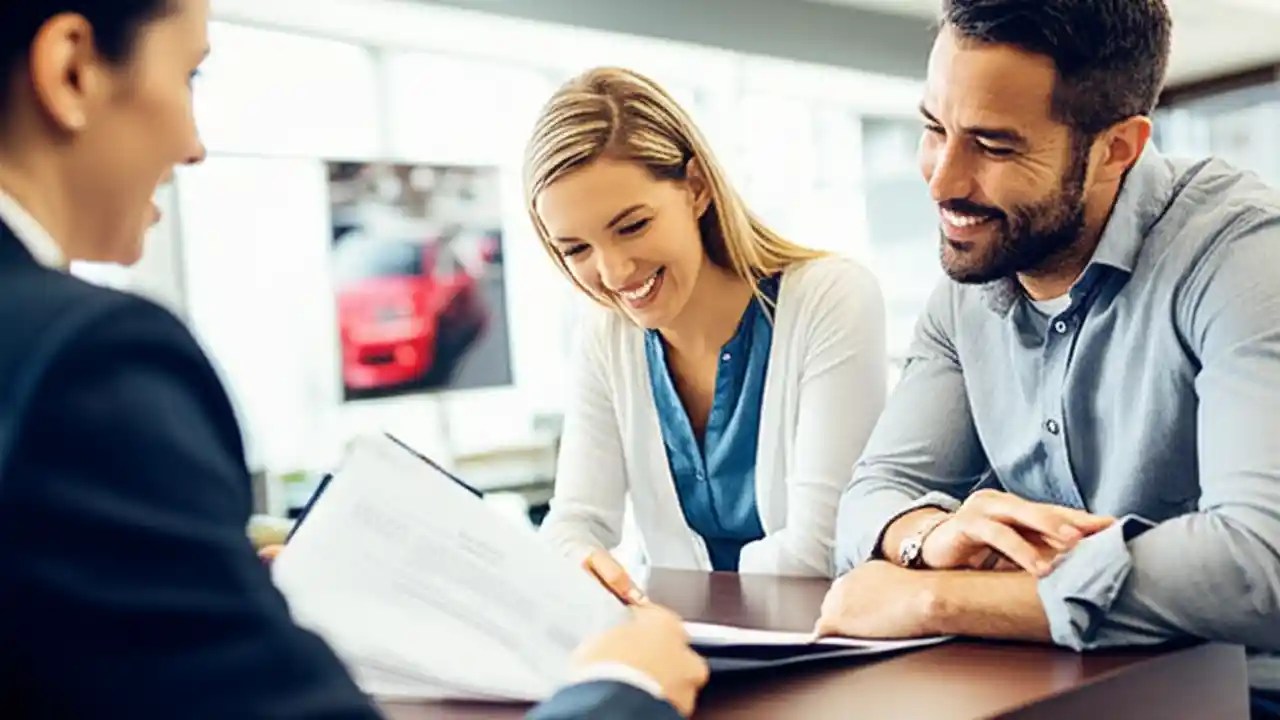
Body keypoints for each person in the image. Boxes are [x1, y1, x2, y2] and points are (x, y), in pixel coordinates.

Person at [0, 2, 707, 718]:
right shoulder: (85, 362)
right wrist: (625, 690)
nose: (193, 145)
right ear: (71, 70)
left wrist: (222, 596)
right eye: (190, 75)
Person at [817, 0, 1280, 716]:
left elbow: (1258, 564)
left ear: (1117, 148)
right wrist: (932, 537)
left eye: (994, 147)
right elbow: (873, 498)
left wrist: (941, 598)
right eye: (934, 128)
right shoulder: (973, 279)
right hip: (1058, 694)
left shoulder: (1242, 255)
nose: (942, 180)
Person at [523, 67, 886, 601]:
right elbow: (573, 525)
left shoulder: (830, 298)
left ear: (696, 188)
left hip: (825, 655)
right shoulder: (606, 336)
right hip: (685, 652)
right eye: (576, 249)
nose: (615, 271)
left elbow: (823, 547)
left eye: (632, 227)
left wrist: (663, 591)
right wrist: (581, 562)